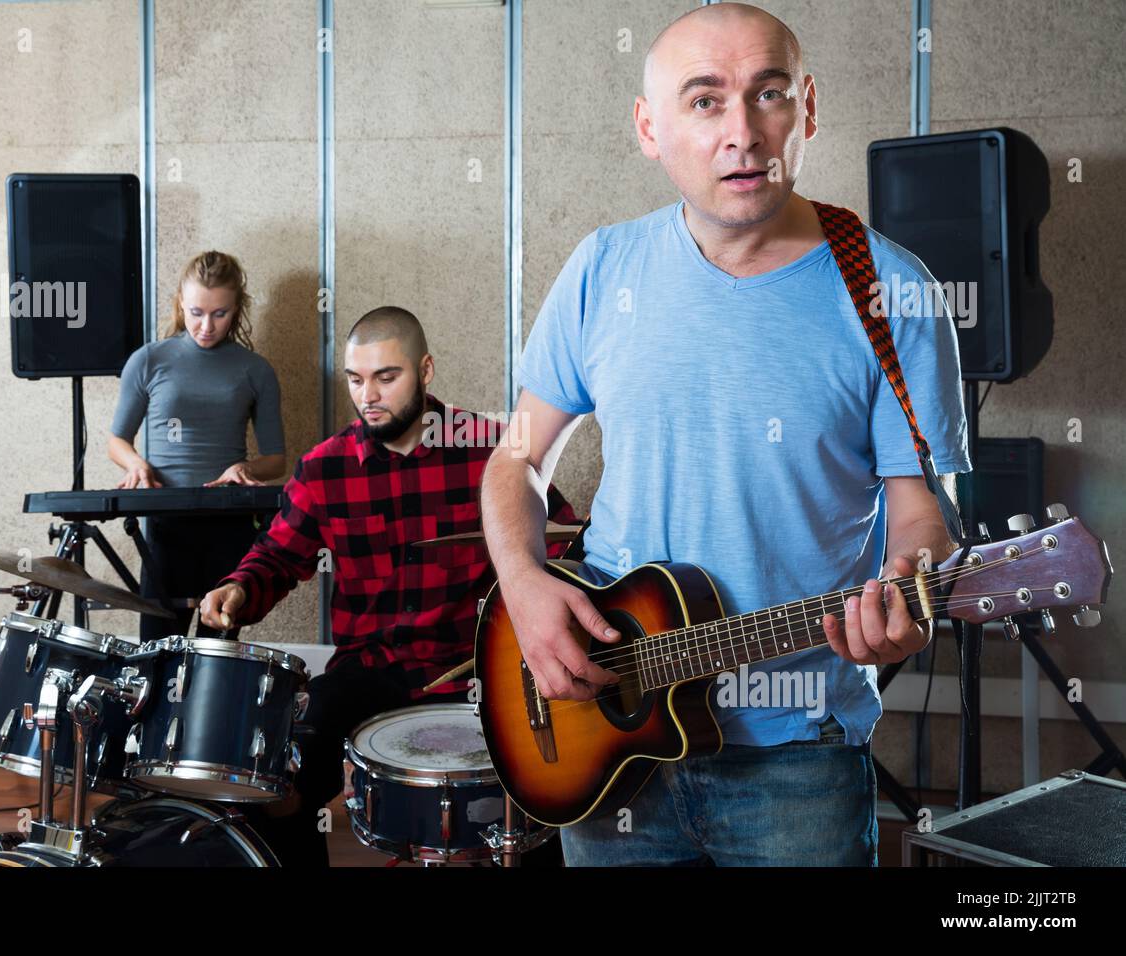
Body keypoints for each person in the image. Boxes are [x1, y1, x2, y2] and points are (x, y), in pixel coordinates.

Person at [479, 3, 971, 867]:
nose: (742, 132)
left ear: (807, 109)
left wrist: (911, 589)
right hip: (608, 726)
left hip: (798, 756)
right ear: (649, 127)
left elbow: (920, 519)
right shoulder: (602, 269)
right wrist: (521, 578)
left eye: (768, 94)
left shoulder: (896, 293)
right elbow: (516, 457)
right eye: (704, 100)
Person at [198, 306, 578, 866]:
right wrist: (238, 588)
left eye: (386, 376)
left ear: (425, 371)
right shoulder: (323, 470)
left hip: (475, 669)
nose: (367, 394)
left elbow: (566, 544)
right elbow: (276, 556)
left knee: (547, 797)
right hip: (369, 670)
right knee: (273, 778)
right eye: (355, 379)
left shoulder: (491, 452)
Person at [108, 250, 286, 640]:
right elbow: (117, 440)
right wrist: (136, 464)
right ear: (179, 304)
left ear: (237, 308)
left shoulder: (255, 370)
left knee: (215, 659)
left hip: (231, 523)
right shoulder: (149, 360)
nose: (206, 326)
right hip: (166, 525)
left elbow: (276, 461)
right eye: (196, 312)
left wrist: (248, 469)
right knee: (155, 655)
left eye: (219, 314)